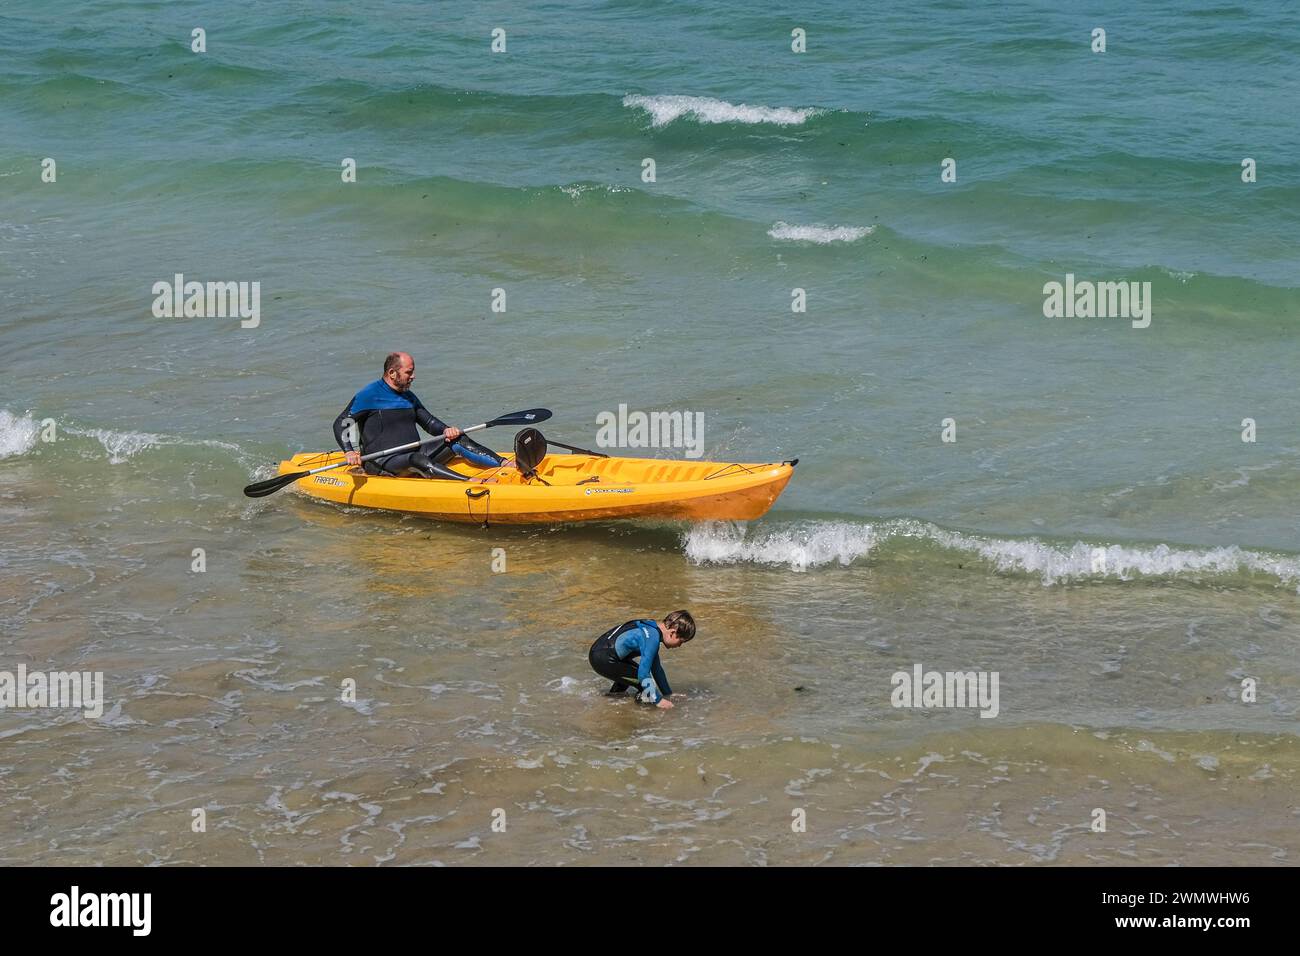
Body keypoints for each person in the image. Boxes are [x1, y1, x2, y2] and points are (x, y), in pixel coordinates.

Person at [332, 352, 504, 479]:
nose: (413, 376)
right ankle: (469, 482)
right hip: (383, 462)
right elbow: (342, 421)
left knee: (456, 439)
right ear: (392, 373)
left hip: (414, 453)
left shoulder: (408, 396)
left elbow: (428, 423)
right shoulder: (369, 395)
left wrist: (446, 430)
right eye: (409, 372)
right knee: (417, 459)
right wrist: (349, 451)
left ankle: (504, 463)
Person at [588, 610, 695, 709]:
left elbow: (657, 670)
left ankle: (611, 702)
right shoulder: (652, 638)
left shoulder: (651, 628)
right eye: (681, 641)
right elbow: (643, 675)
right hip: (603, 659)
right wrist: (658, 700)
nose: (680, 645)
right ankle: (642, 715)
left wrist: (668, 694)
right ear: (672, 633)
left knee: (631, 675)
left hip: (600, 653)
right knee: (643, 682)